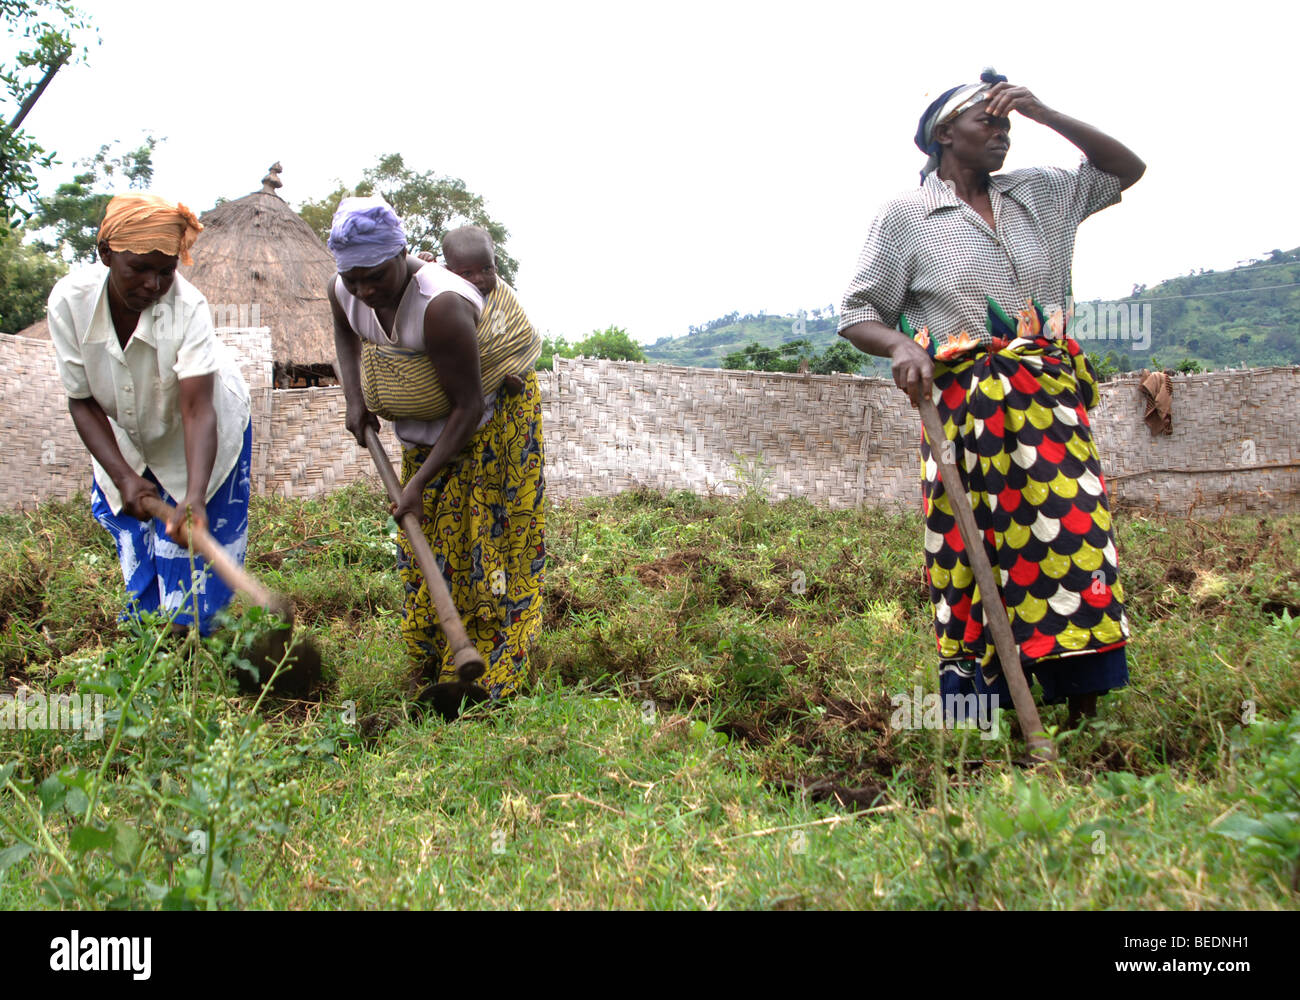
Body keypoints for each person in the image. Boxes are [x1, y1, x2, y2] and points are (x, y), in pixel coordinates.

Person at [837, 70, 1146, 727]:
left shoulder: (1042, 194)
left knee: (1070, 541)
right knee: (975, 553)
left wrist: (1043, 110)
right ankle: (981, 713)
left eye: (1009, 124)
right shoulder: (907, 216)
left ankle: (1082, 710)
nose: (1003, 134)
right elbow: (859, 312)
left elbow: (1126, 168)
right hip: (963, 412)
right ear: (946, 134)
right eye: (990, 123)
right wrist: (901, 346)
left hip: (1049, 404)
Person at [327, 197, 545, 706]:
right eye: (353, 278)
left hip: (491, 428)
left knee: (488, 541)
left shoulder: (441, 304)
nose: (364, 289)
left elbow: (467, 407)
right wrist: (354, 400)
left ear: (401, 253)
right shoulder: (344, 286)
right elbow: (343, 327)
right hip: (424, 438)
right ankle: (435, 653)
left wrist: (417, 485)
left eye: (375, 275)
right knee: (434, 542)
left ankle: (492, 673)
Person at [47, 194, 253, 635]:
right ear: (106, 254)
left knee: (194, 568)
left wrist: (194, 494)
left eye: (165, 270)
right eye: (138, 268)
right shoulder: (69, 302)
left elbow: (198, 410)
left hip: (201, 433)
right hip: (128, 435)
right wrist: (123, 476)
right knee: (141, 555)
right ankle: (148, 641)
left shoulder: (188, 307)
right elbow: (81, 399)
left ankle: (191, 652)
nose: (153, 284)